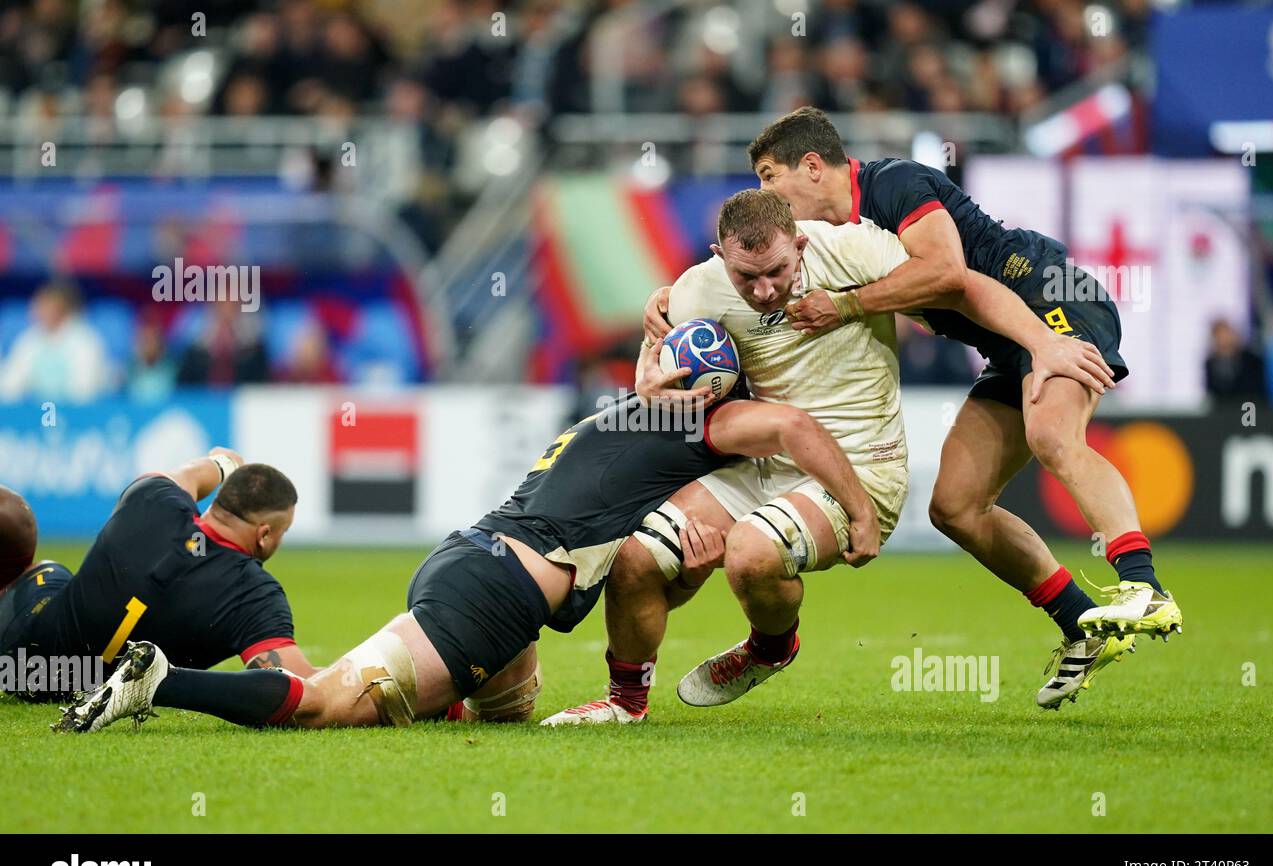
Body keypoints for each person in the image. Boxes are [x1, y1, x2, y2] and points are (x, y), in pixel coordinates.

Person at [665, 107, 1180, 708]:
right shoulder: (835, 243)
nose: (762, 193)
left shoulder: (893, 183)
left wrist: (1044, 343)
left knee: (1052, 435)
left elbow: (948, 272)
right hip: (1005, 341)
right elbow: (733, 279)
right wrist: (667, 299)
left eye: (767, 177)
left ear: (811, 166)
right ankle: (1080, 622)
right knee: (956, 507)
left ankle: (1144, 586)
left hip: (1047, 301)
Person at [543, 188, 1113, 726]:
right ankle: (625, 704)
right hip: (766, 465)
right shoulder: (699, 289)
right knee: (636, 560)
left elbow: (956, 282)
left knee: (748, 554)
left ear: (800, 246)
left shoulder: (854, 249)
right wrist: (650, 381)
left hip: (862, 472)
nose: (765, 290)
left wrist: (1044, 344)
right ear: (720, 257)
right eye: (747, 277)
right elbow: (655, 355)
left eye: (777, 272)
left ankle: (770, 647)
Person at [55, 390, 877, 734]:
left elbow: (565, 605)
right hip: (488, 594)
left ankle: (444, 703)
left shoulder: (610, 425)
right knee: (325, 705)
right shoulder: (694, 423)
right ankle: (161, 679)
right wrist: (861, 508)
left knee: (513, 706)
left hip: (468, 565)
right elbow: (795, 429)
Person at [1, 450, 315, 703]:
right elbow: (301, 684)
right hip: (97, 694)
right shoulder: (255, 594)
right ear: (264, 535)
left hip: (23, 671)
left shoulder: (152, 498)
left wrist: (226, 463)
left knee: (24, 532)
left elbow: (193, 472)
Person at [0, 281, 112, 402]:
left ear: (60, 307)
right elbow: (11, 385)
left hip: (76, 415)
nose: (36, 310)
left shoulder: (85, 341)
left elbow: (84, 391)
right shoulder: (29, 339)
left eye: (44, 305)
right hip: (38, 412)